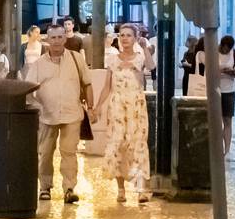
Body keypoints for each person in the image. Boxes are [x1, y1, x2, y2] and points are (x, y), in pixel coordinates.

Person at [25, 23, 93, 204]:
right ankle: (45, 187)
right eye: (52, 37)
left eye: (59, 37)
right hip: (47, 115)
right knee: (45, 152)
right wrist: (36, 106)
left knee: (69, 152)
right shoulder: (39, 64)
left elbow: (87, 83)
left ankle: (69, 188)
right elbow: (28, 88)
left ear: (65, 38)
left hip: (72, 113)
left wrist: (92, 108)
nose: (56, 41)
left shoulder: (76, 58)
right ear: (47, 39)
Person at [94, 23, 154, 203]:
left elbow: (151, 67)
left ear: (135, 38)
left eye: (128, 35)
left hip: (136, 105)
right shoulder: (112, 60)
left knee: (138, 144)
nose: (125, 38)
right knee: (117, 143)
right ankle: (120, 189)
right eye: (122, 35)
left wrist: (145, 48)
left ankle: (142, 188)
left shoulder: (140, 57)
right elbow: (107, 86)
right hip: (117, 105)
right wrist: (97, 106)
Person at [198, 35, 235, 157]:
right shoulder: (213, 53)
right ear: (221, 45)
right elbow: (208, 72)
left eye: (228, 50)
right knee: (215, 121)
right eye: (224, 49)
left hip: (229, 91)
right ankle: (215, 148)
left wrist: (232, 72)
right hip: (214, 90)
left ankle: (227, 150)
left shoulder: (234, 53)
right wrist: (221, 71)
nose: (226, 52)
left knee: (227, 120)